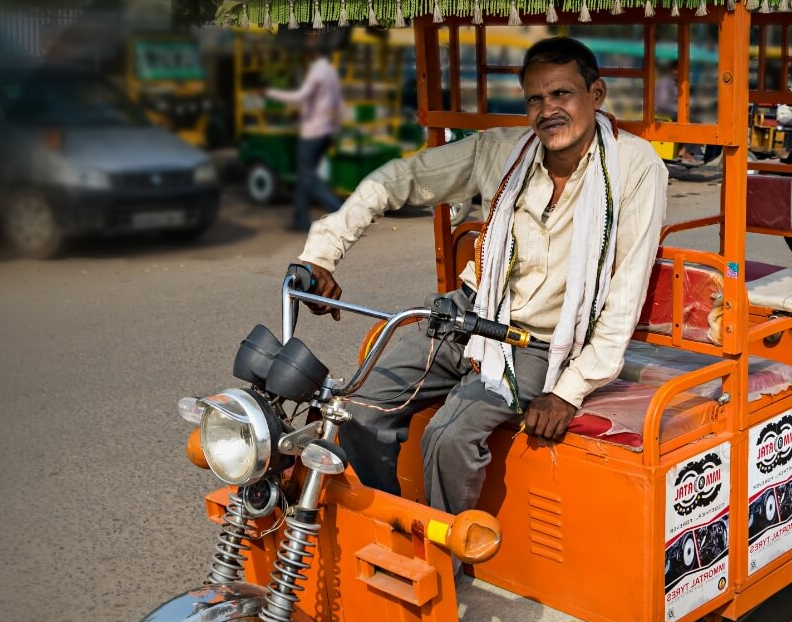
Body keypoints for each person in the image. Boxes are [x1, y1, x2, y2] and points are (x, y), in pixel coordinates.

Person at [288, 37, 669, 513]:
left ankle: (448, 563)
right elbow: (395, 180)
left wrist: (568, 391)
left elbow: (625, 291)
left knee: (448, 439)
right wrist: (322, 253)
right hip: (470, 310)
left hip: (542, 342)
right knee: (359, 409)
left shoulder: (636, 167)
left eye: (562, 94)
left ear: (596, 94)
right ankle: (392, 525)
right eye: (535, 98)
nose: (548, 110)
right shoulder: (502, 151)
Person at [267, 33, 344, 232]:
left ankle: (340, 212)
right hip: (325, 132)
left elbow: (300, 96)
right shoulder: (331, 72)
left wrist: (270, 93)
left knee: (308, 176)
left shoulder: (317, 72)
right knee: (304, 177)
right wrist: (335, 129)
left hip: (312, 132)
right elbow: (338, 103)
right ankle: (300, 219)